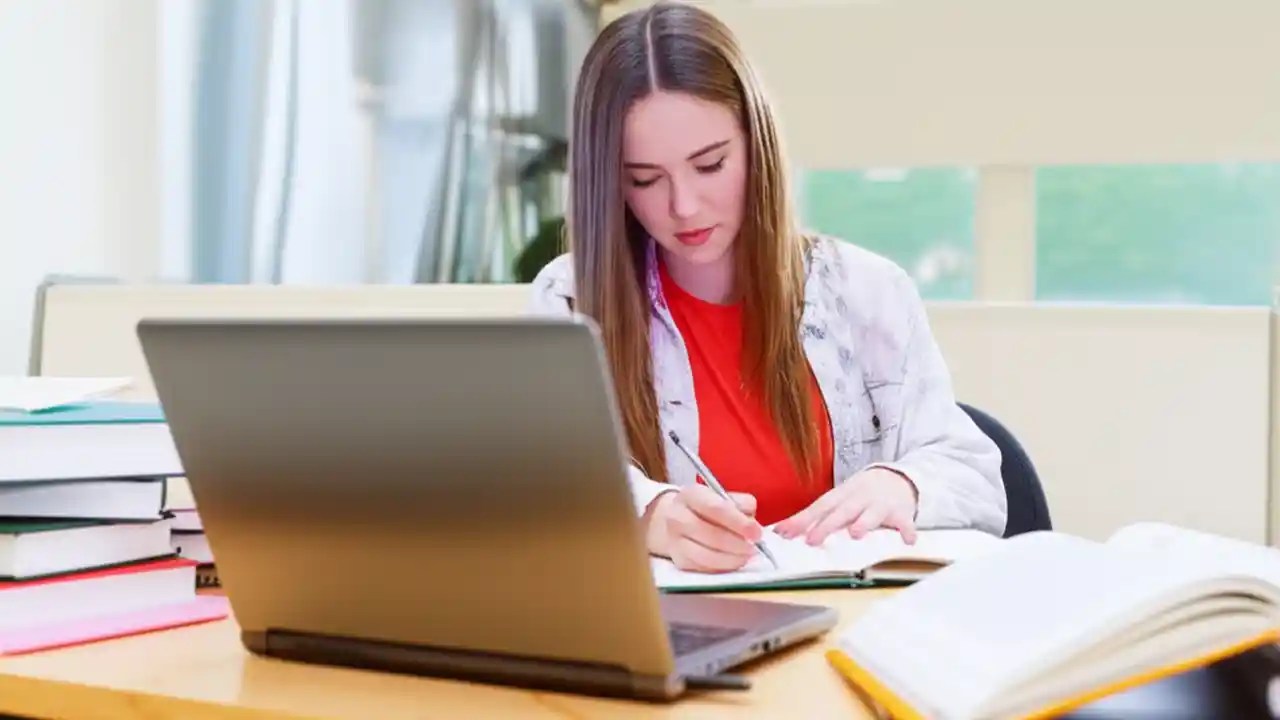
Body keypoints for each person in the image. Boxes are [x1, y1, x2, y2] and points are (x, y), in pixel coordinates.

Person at [529, 1, 1007, 573]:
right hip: (675, 638)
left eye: (710, 165)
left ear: (757, 144)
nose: (683, 206)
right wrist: (648, 513)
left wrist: (901, 482)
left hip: (847, 626)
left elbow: (975, 475)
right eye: (645, 179)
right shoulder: (569, 301)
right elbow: (537, 481)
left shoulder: (867, 290)